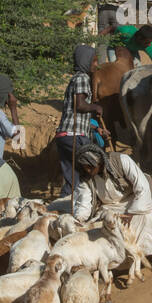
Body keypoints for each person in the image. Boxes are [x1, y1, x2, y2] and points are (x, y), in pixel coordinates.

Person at [71, 145, 152, 271]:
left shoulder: (121, 160)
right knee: (105, 228)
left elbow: (142, 187)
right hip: (108, 208)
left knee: (145, 217)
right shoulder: (85, 179)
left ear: (99, 161)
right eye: (85, 167)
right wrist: (78, 220)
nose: (88, 170)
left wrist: (131, 213)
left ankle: (151, 255)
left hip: (132, 201)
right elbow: (84, 203)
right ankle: (115, 265)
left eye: (90, 166)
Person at [56, 45, 100, 196]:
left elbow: (77, 114)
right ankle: (87, 205)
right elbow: (80, 105)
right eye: (94, 61)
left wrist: (97, 129)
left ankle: (65, 208)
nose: (96, 65)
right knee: (93, 167)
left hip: (65, 135)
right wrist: (95, 107)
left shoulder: (75, 79)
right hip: (74, 135)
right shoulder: (82, 78)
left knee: (72, 178)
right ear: (85, 61)